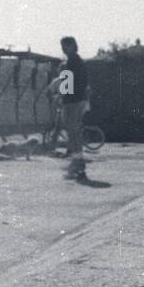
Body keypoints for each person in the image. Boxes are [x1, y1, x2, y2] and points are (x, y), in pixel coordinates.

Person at [48, 35, 89, 180]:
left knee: (73, 132)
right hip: (78, 100)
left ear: (73, 45)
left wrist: (60, 96)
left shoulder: (71, 62)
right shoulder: (77, 61)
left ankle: (78, 163)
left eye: (66, 45)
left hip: (72, 102)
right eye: (62, 46)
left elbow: (67, 84)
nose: (64, 49)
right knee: (74, 132)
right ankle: (78, 162)